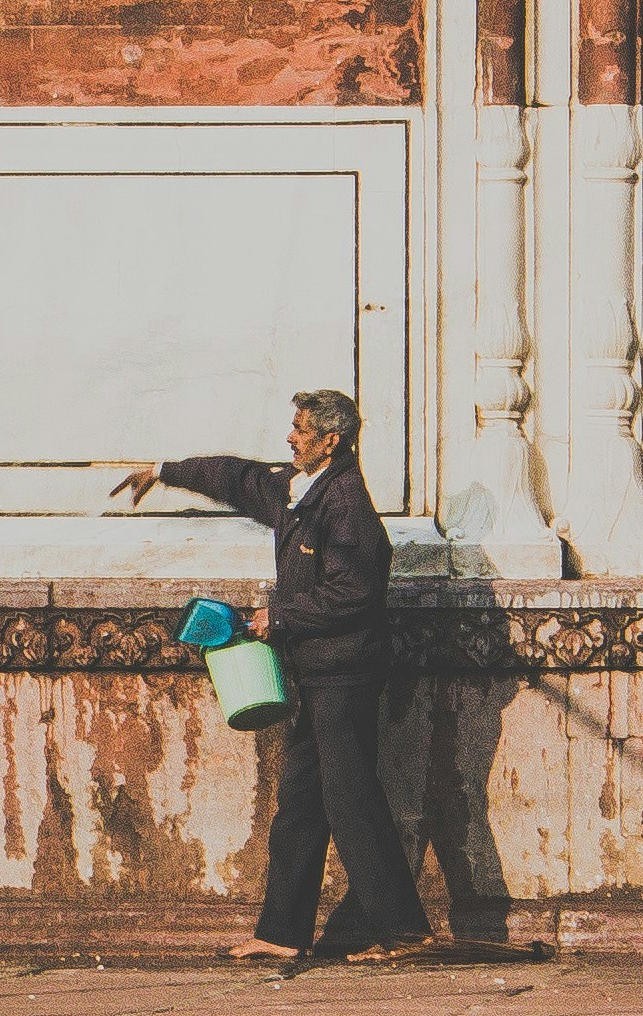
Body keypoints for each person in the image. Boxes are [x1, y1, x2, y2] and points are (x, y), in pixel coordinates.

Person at [110, 386, 425, 962]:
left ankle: (403, 929)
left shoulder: (346, 505)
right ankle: (281, 933)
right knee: (302, 805)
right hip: (316, 673)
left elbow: (355, 591)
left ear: (330, 441)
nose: (290, 437)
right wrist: (163, 471)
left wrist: (274, 617)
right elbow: (238, 477)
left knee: (352, 802)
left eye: (301, 430)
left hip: (346, 673)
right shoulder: (299, 491)